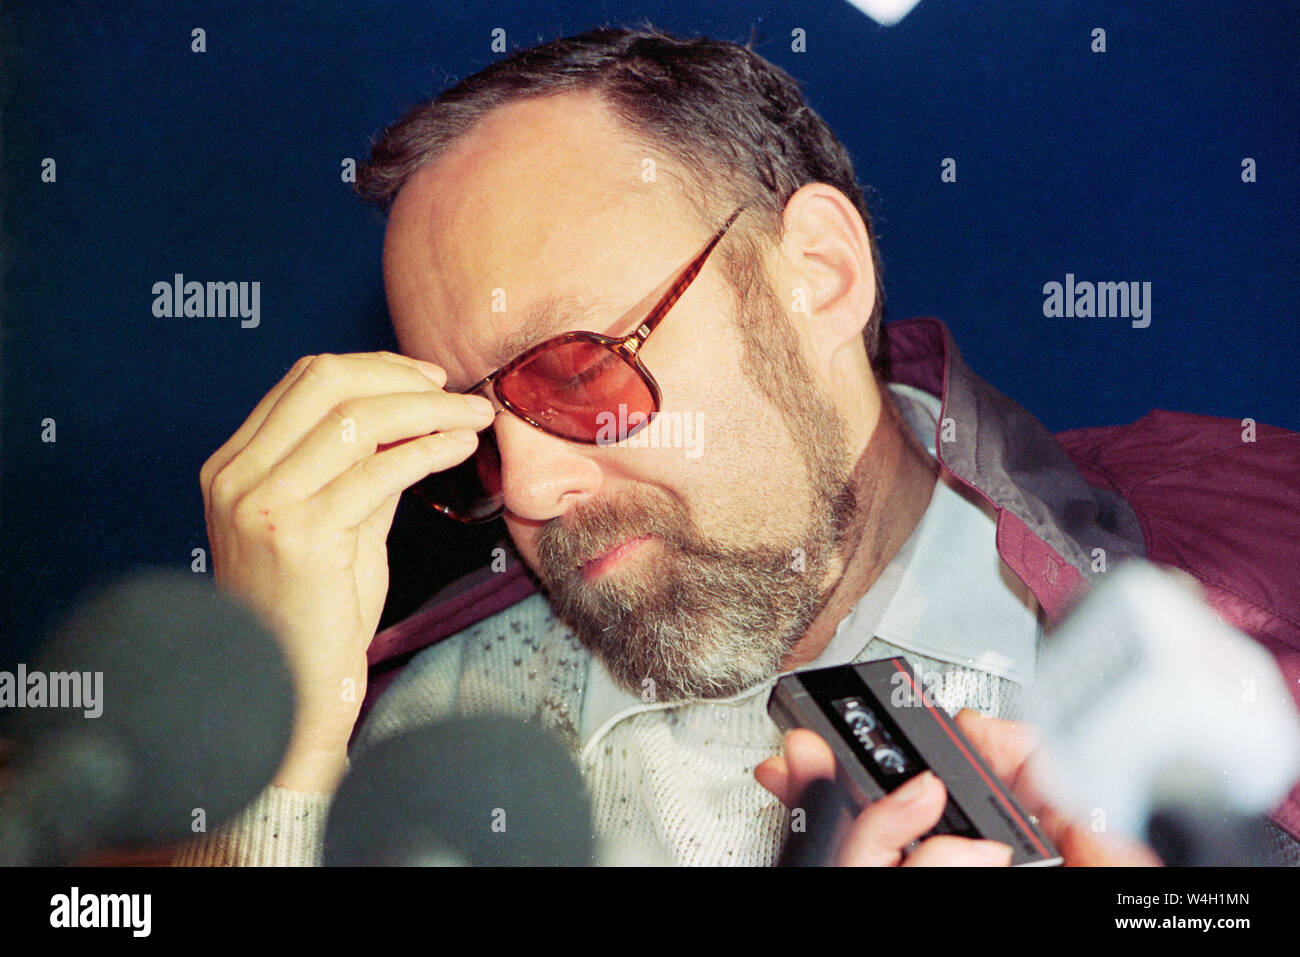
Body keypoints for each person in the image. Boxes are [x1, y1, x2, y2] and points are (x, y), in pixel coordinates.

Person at [177, 26, 1300, 866]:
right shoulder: (454, 745)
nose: (528, 487)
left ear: (816, 273)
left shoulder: (1246, 586)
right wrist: (269, 737)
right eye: (469, 432)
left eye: (575, 375)